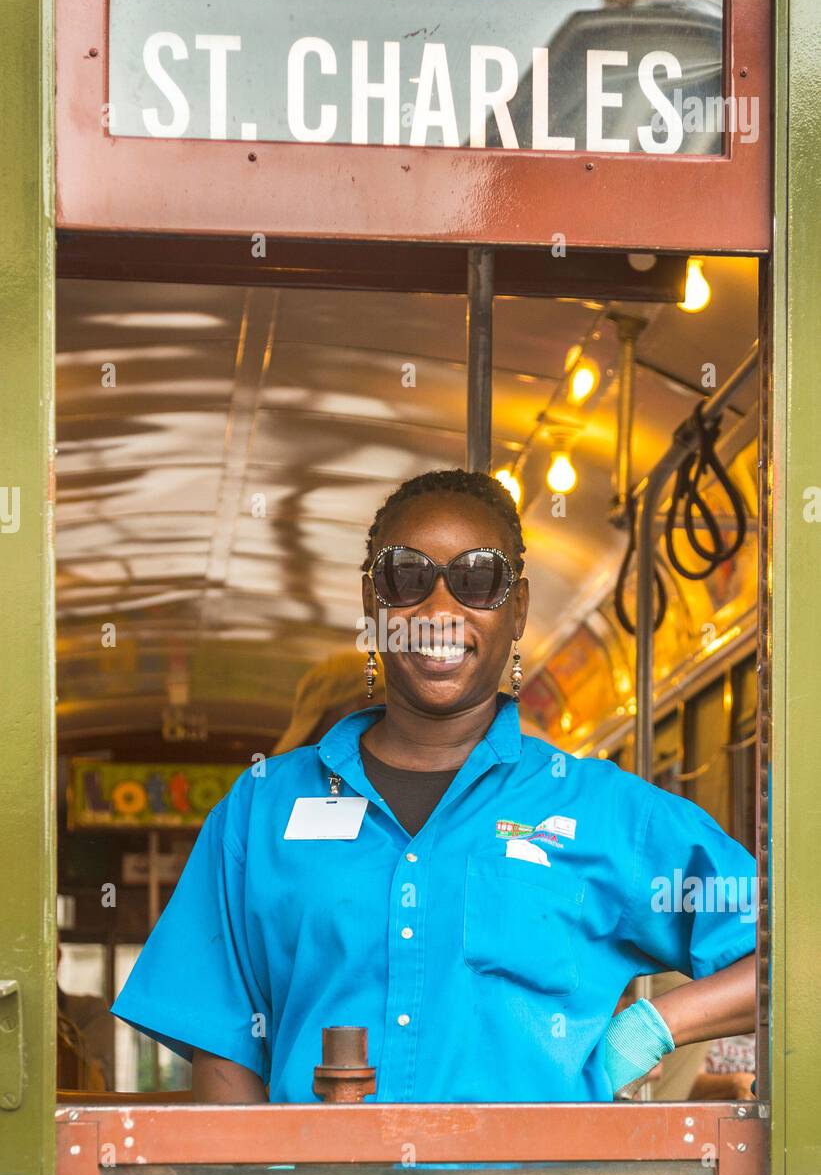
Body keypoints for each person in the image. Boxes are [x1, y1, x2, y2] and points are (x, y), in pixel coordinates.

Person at [111, 469, 756, 1104]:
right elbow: (224, 1051)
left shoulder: (604, 811)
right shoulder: (259, 810)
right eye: (407, 577)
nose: (441, 611)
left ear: (519, 609)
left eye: (480, 579)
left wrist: (655, 1027)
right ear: (373, 604)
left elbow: (795, 954)